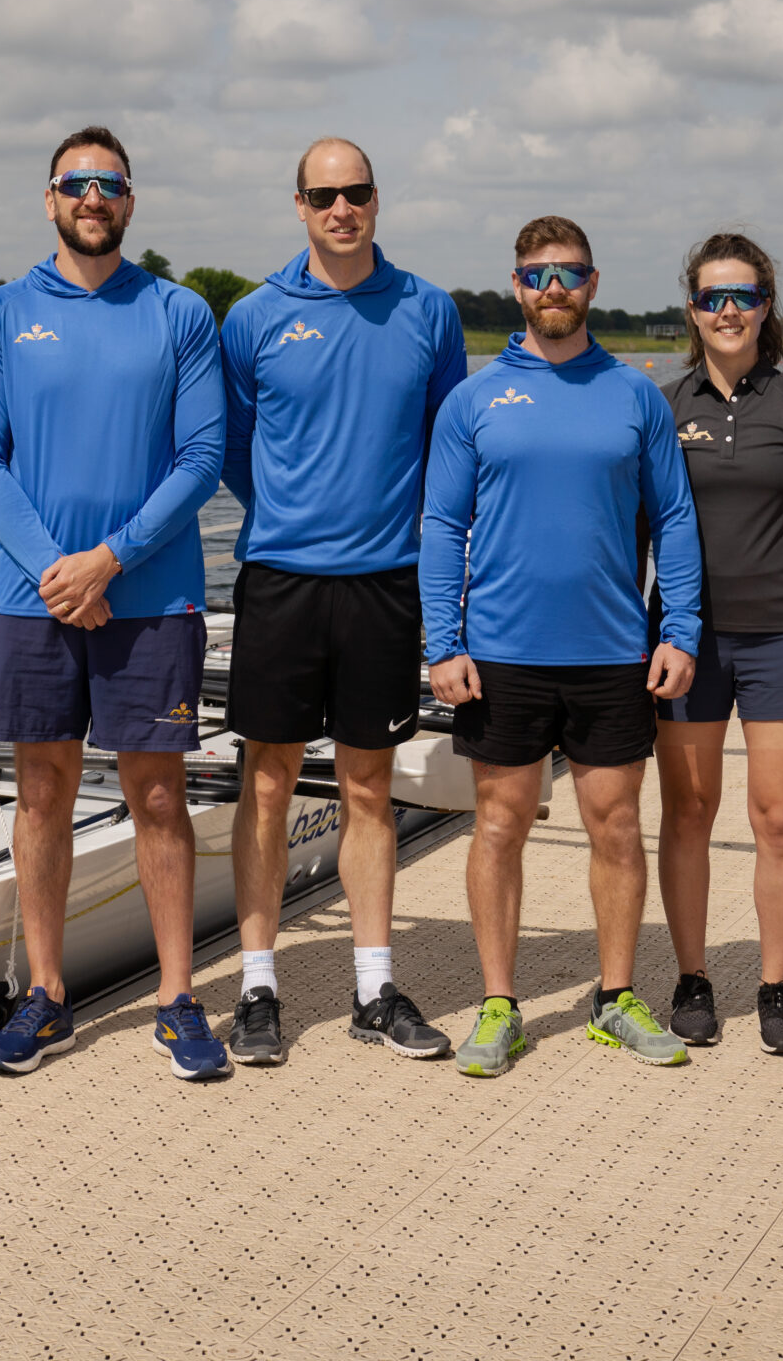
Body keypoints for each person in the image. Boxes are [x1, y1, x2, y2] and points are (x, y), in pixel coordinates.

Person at [0, 125, 230, 1082]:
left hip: (150, 599)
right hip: (31, 601)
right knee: (42, 791)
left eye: (108, 183)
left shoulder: (179, 312)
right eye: (75, 183)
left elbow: (201, 460)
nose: (92, 197)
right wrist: (55, 572)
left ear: (128, 201)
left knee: (157, 793)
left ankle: (177, 998)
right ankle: (46, 996)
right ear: (50, 199)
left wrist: (107, 562)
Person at [421, 215, 705, 1075]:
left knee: (617, 827)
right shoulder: (474, 399)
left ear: (592, 283)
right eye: (538, 274)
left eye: (569, 274)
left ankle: (614, 997)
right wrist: (444, 641)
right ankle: (499, 1005)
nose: (554, 288)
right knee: (500, 826)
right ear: (516, 285)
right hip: (501, 653)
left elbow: (677, 522)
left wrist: (680, 629)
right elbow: (441, 524)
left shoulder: (634, 395)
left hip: (614, 650)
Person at [216, 137, 467, 1067]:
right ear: (299, 205)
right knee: (268, 781)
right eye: (323, 195)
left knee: (369, 785)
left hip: (384, 581)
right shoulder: (254, 317)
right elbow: (234, 448)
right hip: (281, 579)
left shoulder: (428, 311)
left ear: (376, 199)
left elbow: (450, 451)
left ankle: (372, 987)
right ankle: (257, 987)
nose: (341, 209)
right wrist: (291, 514)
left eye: (356, 192)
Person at [650, 233, 783, 1057]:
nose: (727, 311)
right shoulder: (664, 408)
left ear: (767, 306)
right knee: (689, 812)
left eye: (743, 295)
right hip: (689, 642)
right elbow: (635, 535)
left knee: (778, 819)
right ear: (691, 309)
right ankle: (693, 978)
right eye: (711, 297)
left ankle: (775, 987)